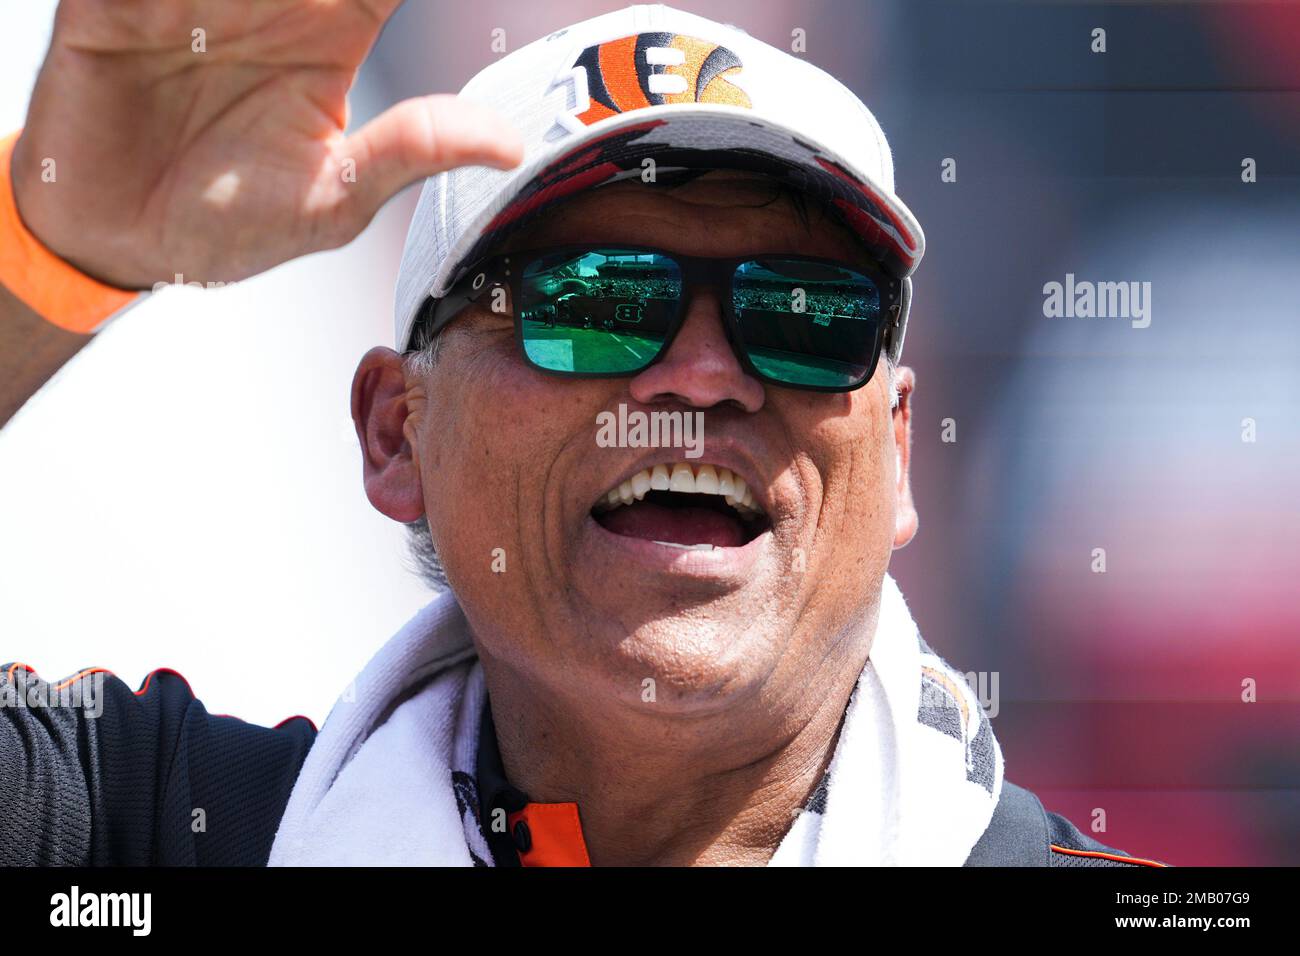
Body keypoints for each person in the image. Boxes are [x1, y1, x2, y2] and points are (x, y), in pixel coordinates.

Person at [0, 2, 1164, 867]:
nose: (707, 376)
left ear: (897, 450)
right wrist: (49, 250)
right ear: (396, 430)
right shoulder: (158, 834)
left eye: (803, 313)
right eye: (596, 302)